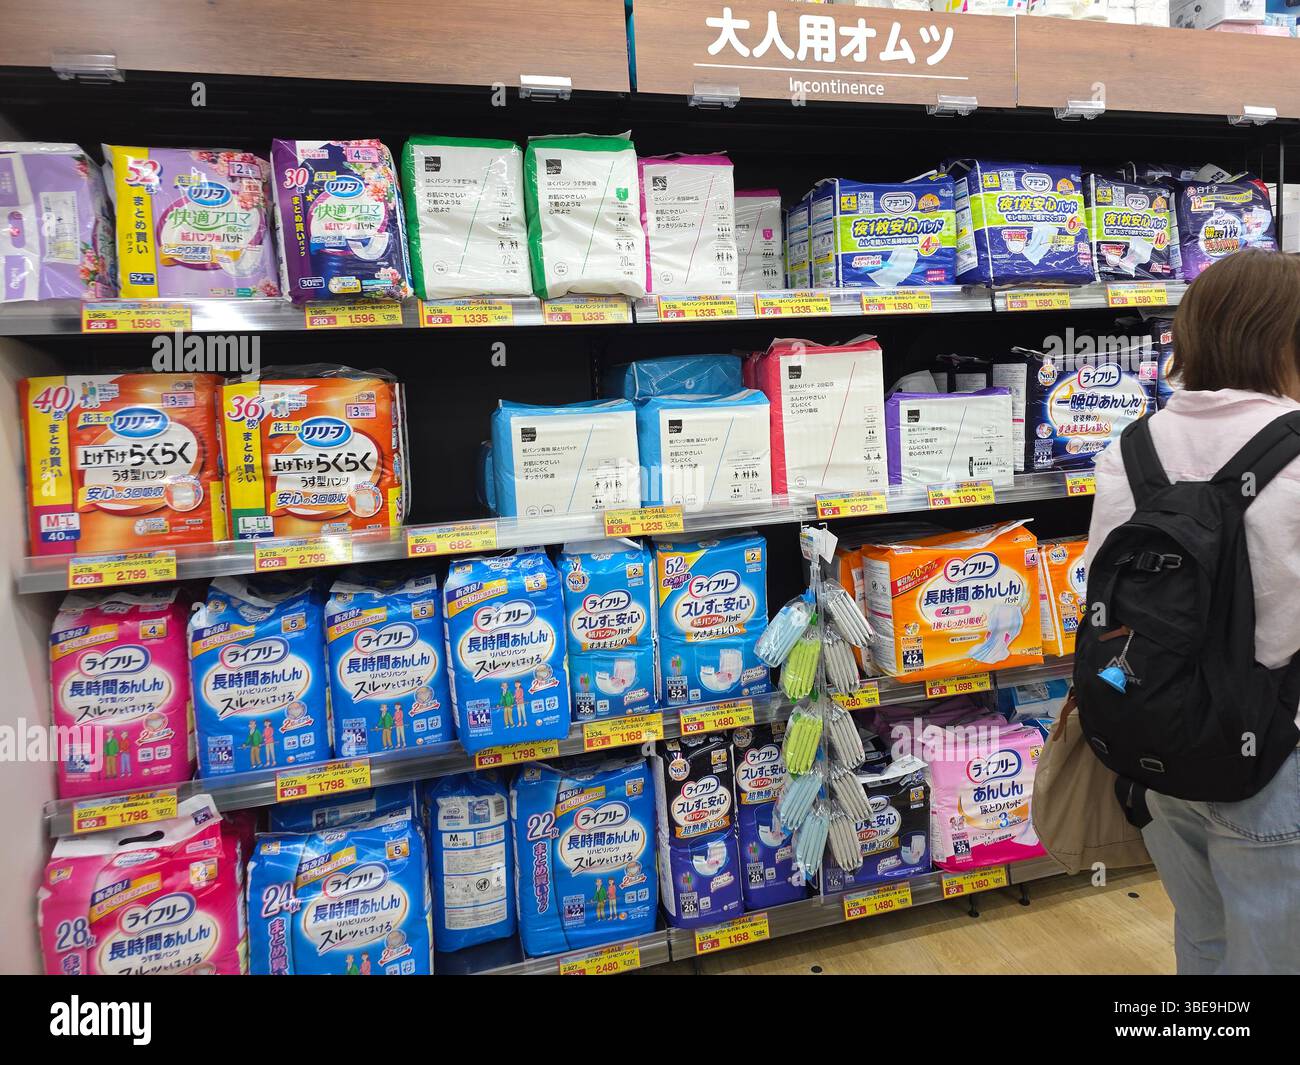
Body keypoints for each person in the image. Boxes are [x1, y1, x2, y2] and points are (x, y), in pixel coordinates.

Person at [1085, 250, 1300, 975]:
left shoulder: (1131, 446)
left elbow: (1102, 595)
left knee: (1204, 939)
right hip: (1273, 753)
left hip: (1157, 736)